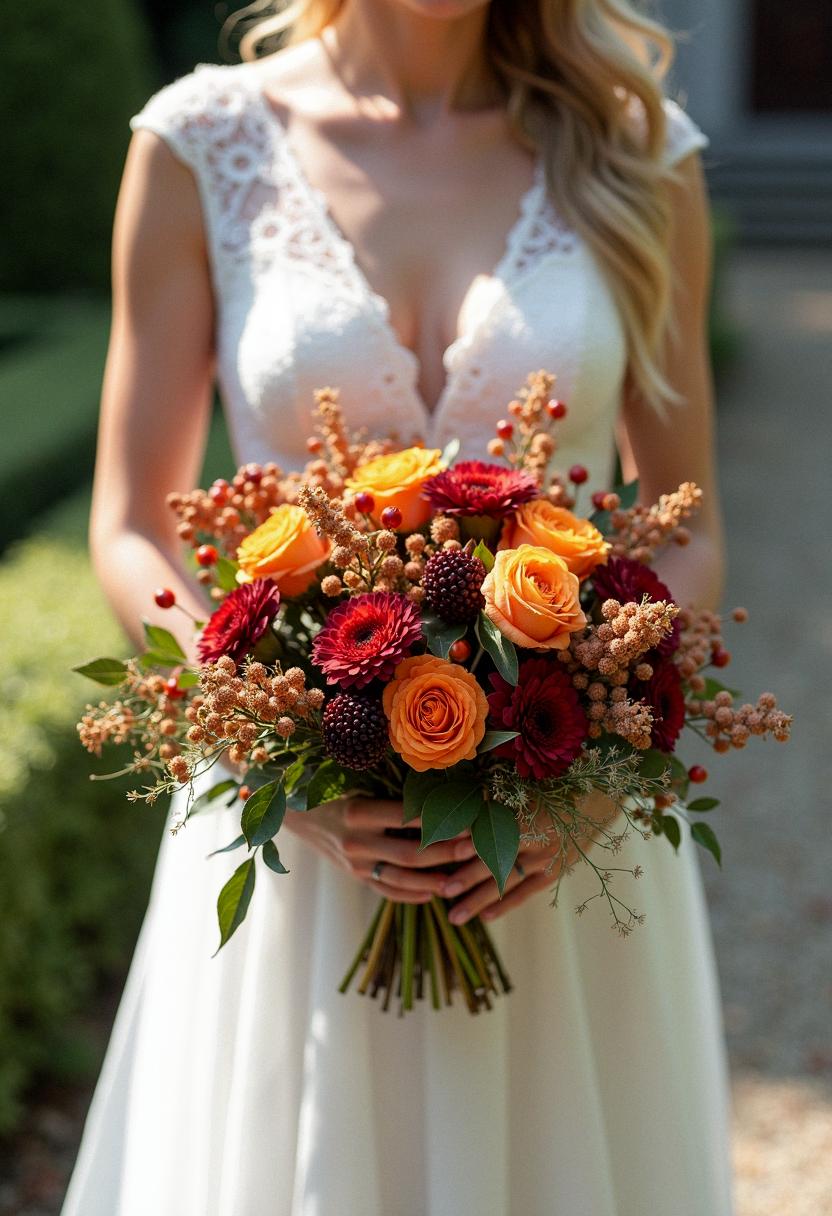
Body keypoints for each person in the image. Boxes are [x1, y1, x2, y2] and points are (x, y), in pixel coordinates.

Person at [61, 1, 733, 1213]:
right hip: (301, 852)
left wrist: (583, 788)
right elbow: (132, 523)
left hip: (559, 844)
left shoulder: (636, 148)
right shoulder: (199, 142)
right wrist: (271, 752)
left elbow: (687, 530)